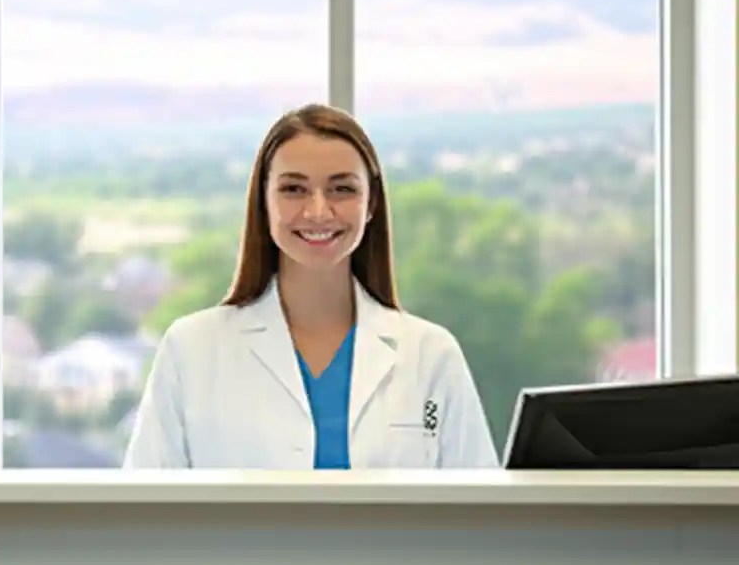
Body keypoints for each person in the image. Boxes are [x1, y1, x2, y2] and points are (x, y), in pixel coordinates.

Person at [123, 104, 498, 469]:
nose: (318, 211)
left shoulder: (431, 355)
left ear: (371, 205)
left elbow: (483, 518)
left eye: (341, 189)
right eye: (294, 189)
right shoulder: (191, 350)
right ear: (263, 204)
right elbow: (142, 517)